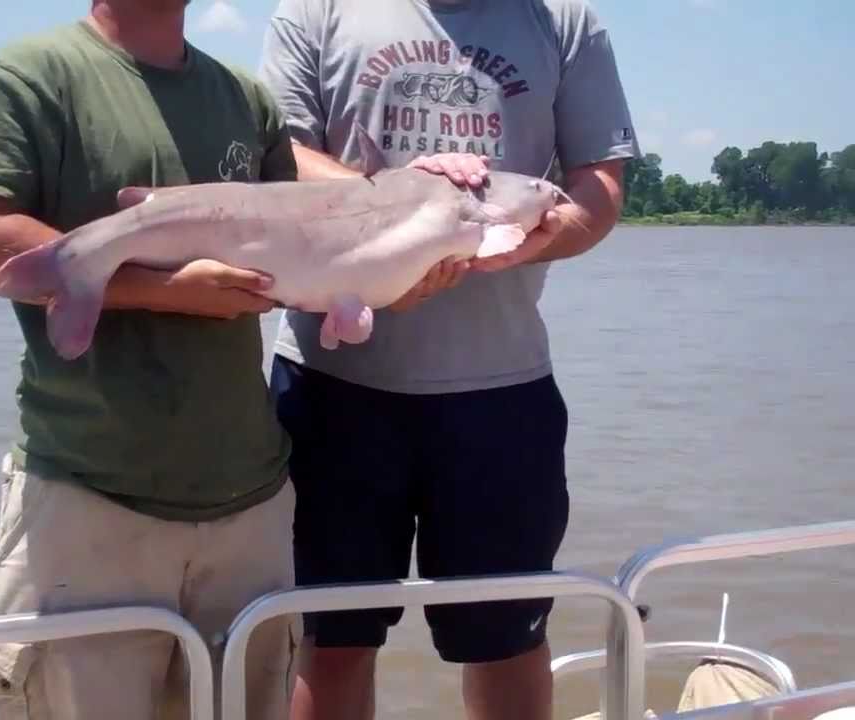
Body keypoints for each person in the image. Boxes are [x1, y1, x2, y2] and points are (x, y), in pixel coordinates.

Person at [256, 1, 639, 718]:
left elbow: (600, 182)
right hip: (335, 380)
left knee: (507, 639)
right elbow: (276, 157)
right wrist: (415, 204)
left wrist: (535, 236)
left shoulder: (563, 19)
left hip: (501, 394)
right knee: (330, 638)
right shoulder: (316, 9)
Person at [0, 1, 302, 718]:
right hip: (87, 501)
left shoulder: (245, 98)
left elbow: (299, 242)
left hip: (251, 508)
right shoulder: (28, 77)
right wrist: (166, 292)